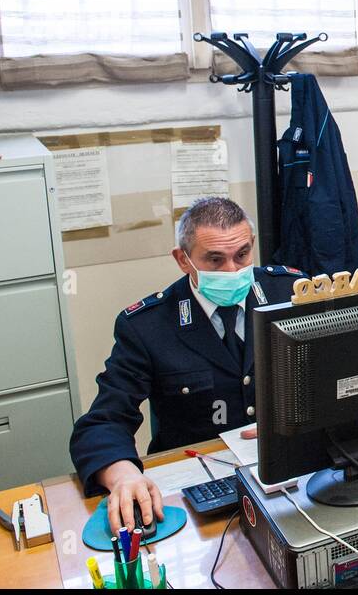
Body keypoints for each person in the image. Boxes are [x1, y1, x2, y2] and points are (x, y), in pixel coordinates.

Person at [69, 197, 302, 531]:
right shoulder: (148, 326)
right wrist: (124, 476)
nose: (232, 271)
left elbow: (334, 377)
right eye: (215, 260)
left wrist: (294, 423)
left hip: (282, 477)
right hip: (198, 495)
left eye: (242, 255)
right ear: (183, 259)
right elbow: (102, 423)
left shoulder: (288, 293)